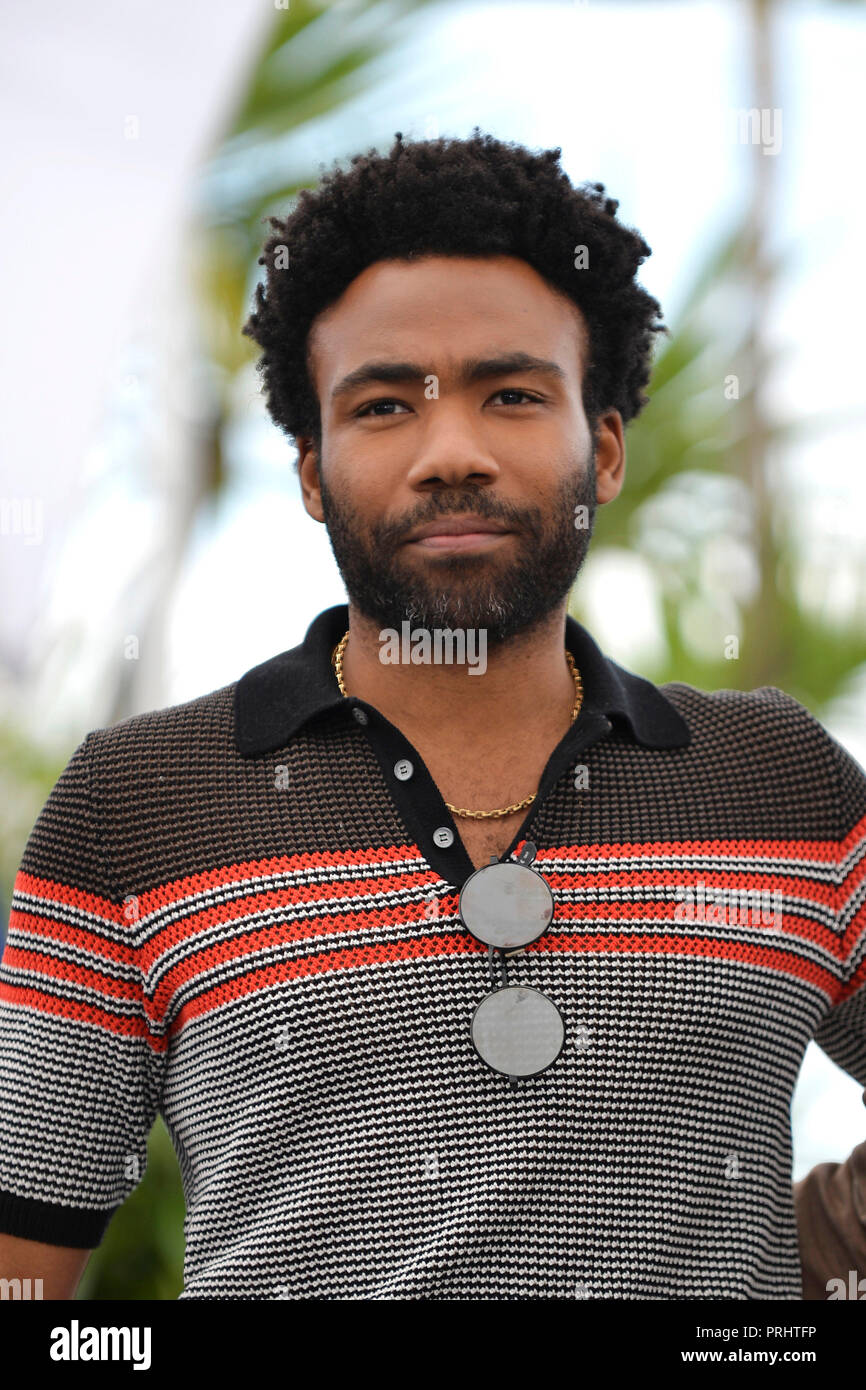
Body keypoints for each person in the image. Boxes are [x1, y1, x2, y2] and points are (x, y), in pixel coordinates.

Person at [1, 130, 864, 1301]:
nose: (448, 452)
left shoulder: (782, 781)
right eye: (380, 407)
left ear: (601, 447)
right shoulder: (137, 802)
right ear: (309, 471)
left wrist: (818, 1255)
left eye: (509, 393)